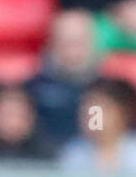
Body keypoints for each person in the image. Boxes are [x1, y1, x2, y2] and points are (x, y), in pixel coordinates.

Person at [26, 9, 101, 151]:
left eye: (78, 42)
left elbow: (100, 133)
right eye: (65, 42)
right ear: (51, 44)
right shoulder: (33, 89)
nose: (72, 50)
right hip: (45, 163)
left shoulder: (107, 92)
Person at [59, 76, 136, 173]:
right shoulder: (74, 153)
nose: (90, 116)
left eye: (100, 109)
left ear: (123, 113)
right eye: (86, 109)